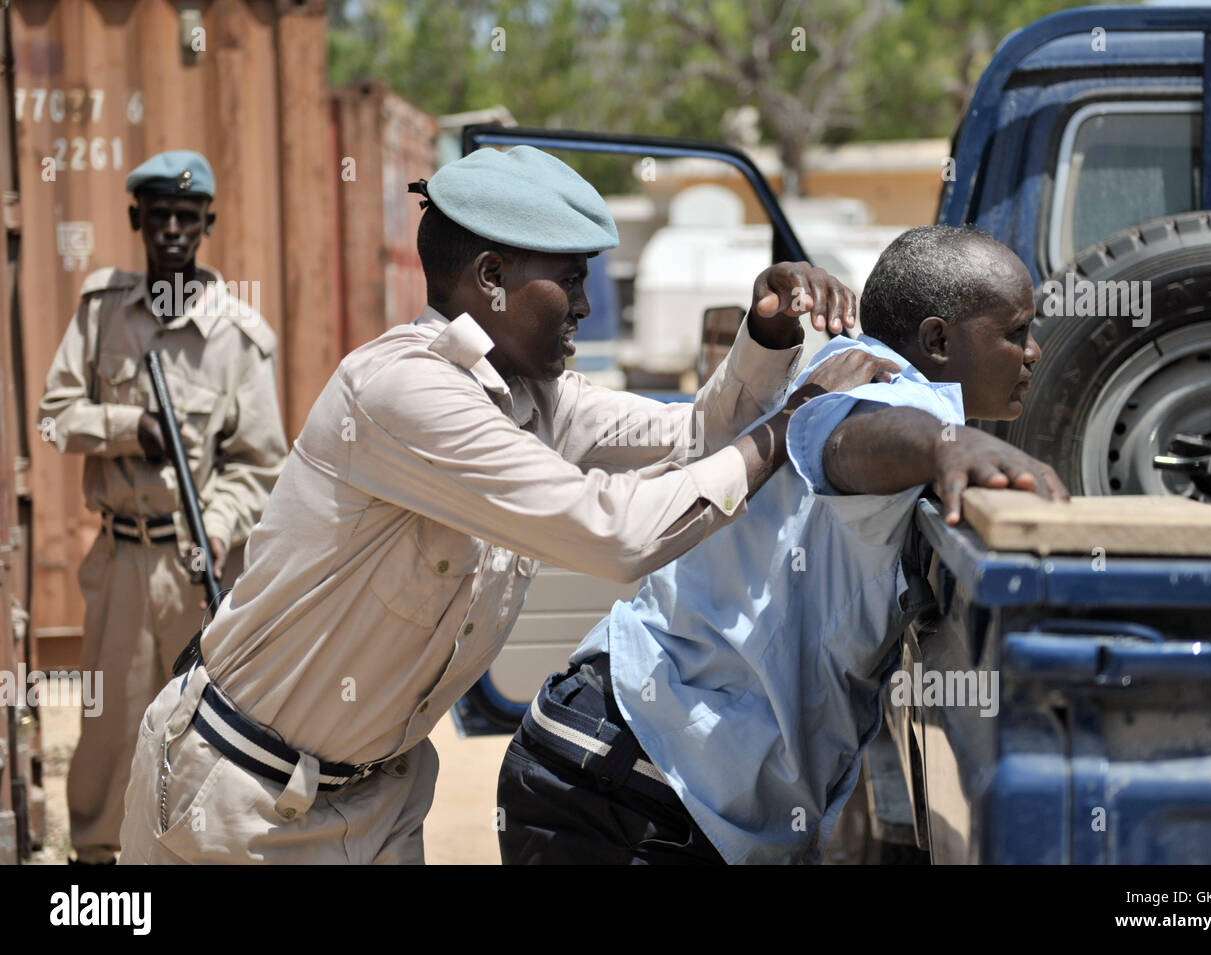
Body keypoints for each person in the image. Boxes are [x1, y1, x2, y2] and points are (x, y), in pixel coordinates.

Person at [117, 145, 893, 864]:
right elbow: (618, 534)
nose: (587, 306)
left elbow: (694, 434)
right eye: (573, 278)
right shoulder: (405, 390)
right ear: (491, 277)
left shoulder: (534, 396)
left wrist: (767, 331)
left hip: (375, 800)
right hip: (239, 800)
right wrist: (795, 421)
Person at [497, 225, 1070, 864]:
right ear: (937, 340)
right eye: (1016, 331)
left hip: (624, 763)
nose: (1034, 351)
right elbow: (847, 441)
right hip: (626, 791)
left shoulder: (840, 365)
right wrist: (946, 445)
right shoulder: (887, 392)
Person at [38, 149, 288, 864]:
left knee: (200, 733)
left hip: (198, 567)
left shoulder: (240, 339)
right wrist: (129, 428)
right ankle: (96, 867)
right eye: (159, 216)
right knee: (109, 729)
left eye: (186, 216)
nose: (173, 228)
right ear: (136, 221)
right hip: (119, 561)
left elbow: (260, 465)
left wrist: (213, 528)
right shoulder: (101, 314)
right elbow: (52, 416)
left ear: (206, 222)